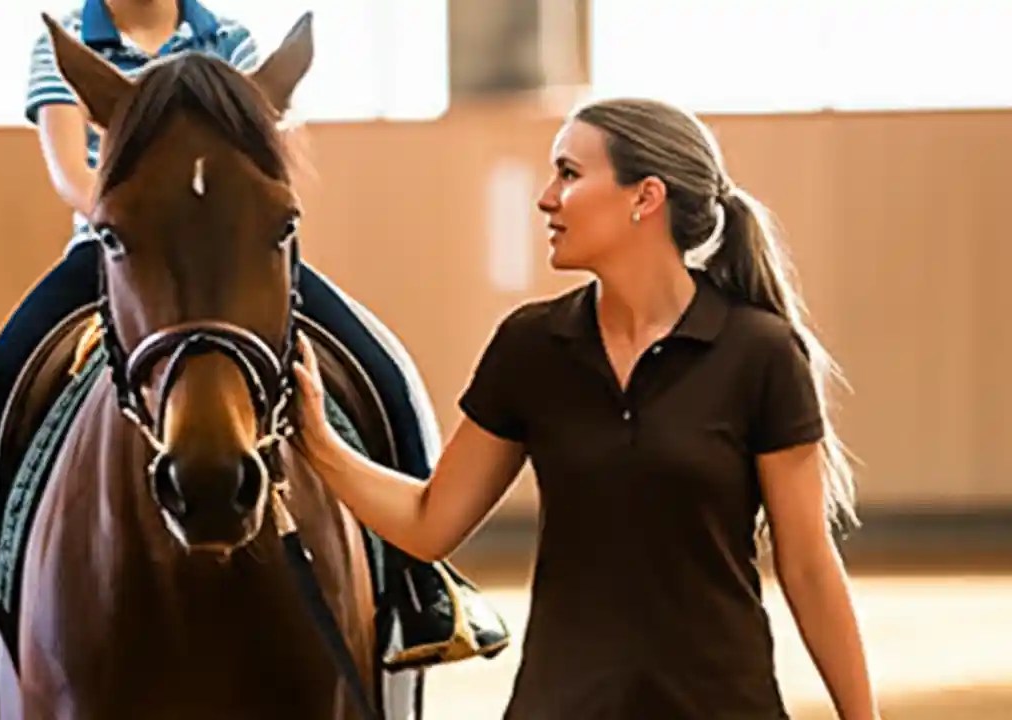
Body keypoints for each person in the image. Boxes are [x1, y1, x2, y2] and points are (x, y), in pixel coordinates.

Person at [0, 0, 508, 668]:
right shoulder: (68, 42)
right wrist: (147, 207)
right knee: (4, 368)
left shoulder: (229, 40)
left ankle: (424, 577)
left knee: (379, 362)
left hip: (231, 251)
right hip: (122, 247)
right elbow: (74, 172)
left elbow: (258, 150)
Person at [291, 97, 881, 719]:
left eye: (569, 174)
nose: (547, 197)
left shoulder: (759, 353)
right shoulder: (532, 347)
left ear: (644, 197)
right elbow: (430, 522)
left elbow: (809, 566)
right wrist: (322, 447)